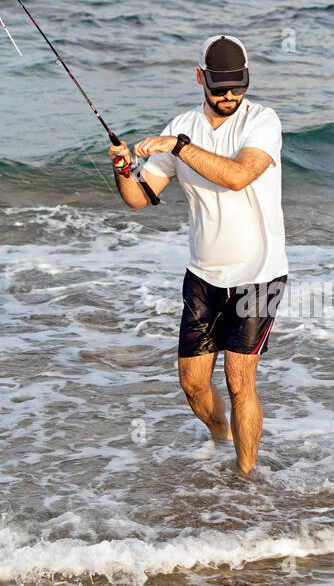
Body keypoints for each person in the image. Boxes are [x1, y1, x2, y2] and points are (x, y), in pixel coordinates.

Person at [110, 35, 288, 475]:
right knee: (192, 384)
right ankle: (220, 437)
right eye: (219, 86)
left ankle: (245, 482)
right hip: (204, 276)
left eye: (237, 84)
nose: (229, 94)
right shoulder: (182, 124)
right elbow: (139, 197)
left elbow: (238, 175)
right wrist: (120, 166)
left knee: (238, 379)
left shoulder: (261, 121)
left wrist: (178, 146)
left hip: (259, 275)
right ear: (199, 79)